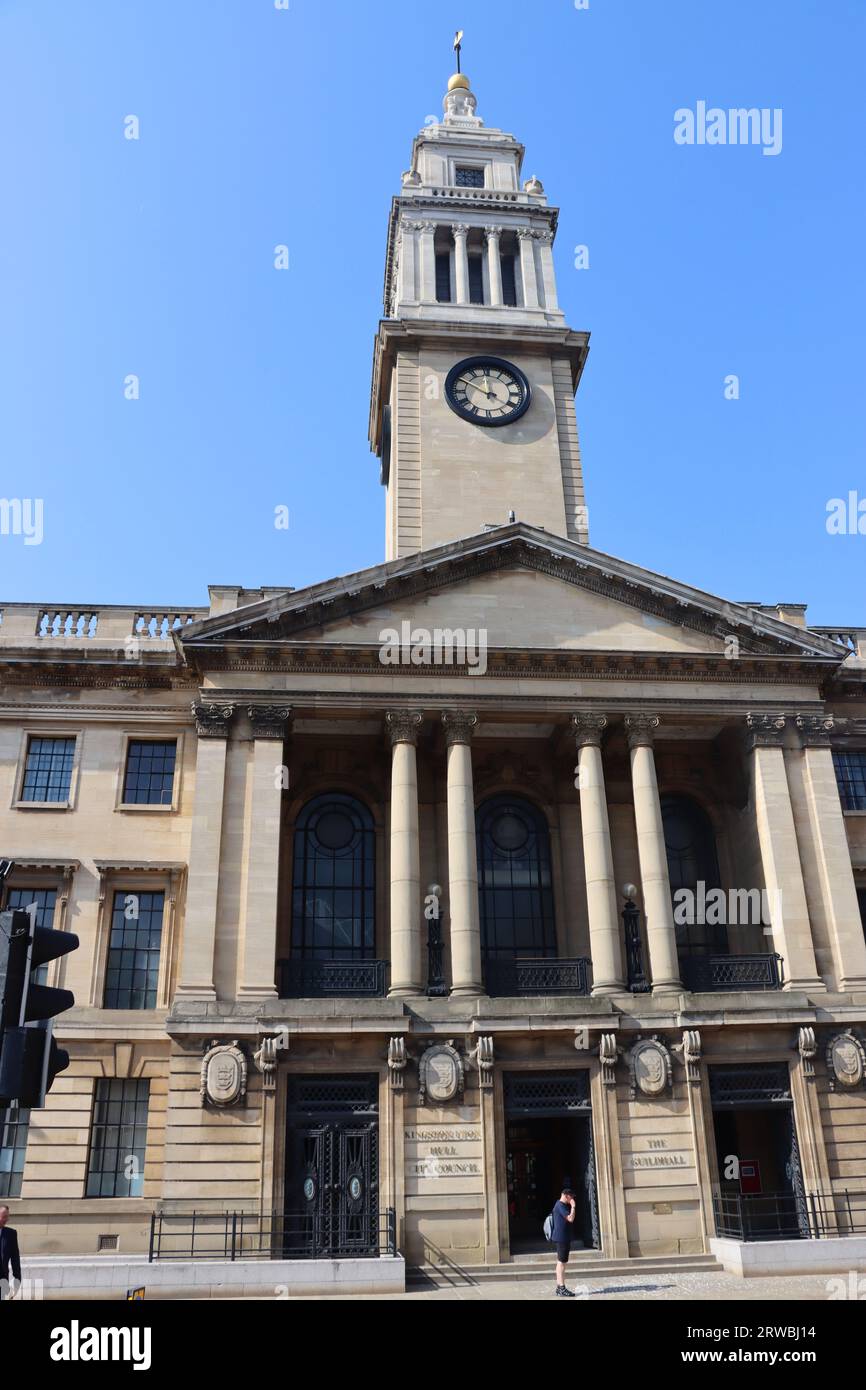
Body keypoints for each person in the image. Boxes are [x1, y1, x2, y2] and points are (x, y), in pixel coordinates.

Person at [551, 1187, 577, 1297]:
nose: (572, 1199)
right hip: (562, 1238)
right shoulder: (561, 1205)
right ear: (566, 1195)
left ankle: (559, 1287)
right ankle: (561, 1288)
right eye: (571, 1197)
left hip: (563, 1238)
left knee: (561, 1262)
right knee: (561, 1263)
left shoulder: (560, 1205)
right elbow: (571, 1219)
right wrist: (573, 1206)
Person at [0, 1204, 21, 1300]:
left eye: (7, 1216)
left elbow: (15, 1259)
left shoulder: (11, 1234)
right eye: (4, 1217)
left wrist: (17, 1280)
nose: (7, 1219)